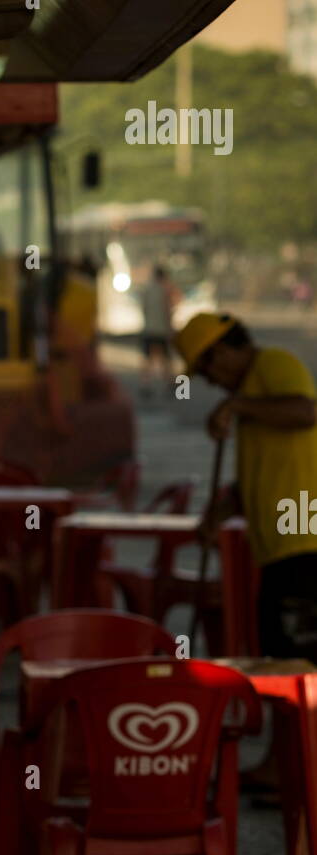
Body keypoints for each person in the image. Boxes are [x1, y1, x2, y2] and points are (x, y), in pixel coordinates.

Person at [175, 311, 317, 659]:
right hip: (278, 548)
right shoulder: (252, 396)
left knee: (299, 662)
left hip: (304, 538)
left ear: (221, 351)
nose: (211, 382)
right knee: (278, 654)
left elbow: (306, 412)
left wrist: (238, 404)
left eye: (206, 371)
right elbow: (263, 474)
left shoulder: (273, 363)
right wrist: (220, 513)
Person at [139, 264, 176, 395]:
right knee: (166, 358)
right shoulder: (165, 290)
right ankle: (171, 383)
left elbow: (143, 308)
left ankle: (145, 384)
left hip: (149, 329)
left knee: (148, 358)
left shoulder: (147, 289)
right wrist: (170, 329)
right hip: (161, 330)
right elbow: (168, 311)